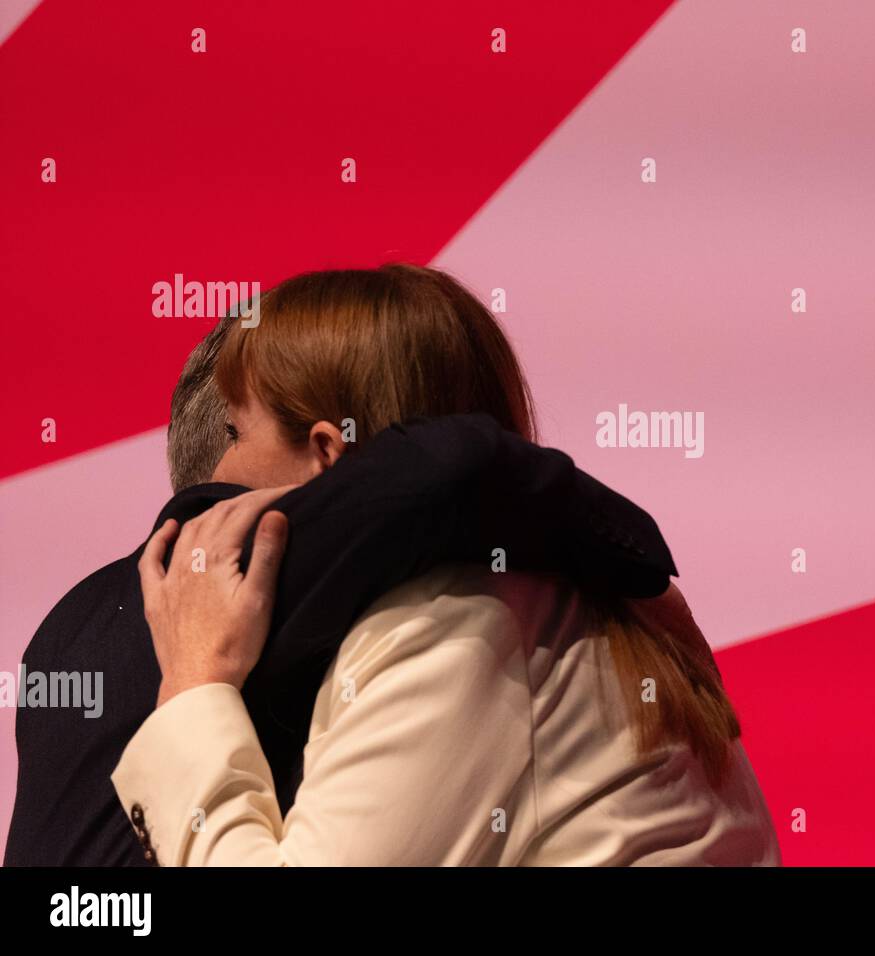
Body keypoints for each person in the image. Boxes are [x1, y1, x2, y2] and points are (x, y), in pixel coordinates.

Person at [111, 264, 782, 865]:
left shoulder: (457, 618)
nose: (214, 473)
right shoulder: (575, 593)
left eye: (234, 433)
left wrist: (195, 683)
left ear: (327, 452)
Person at [5, 308, 683, 865]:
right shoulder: (499, 606)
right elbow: (456, 466)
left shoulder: (76, 617)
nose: (219, 463)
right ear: (331, 453)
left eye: (237, 430)